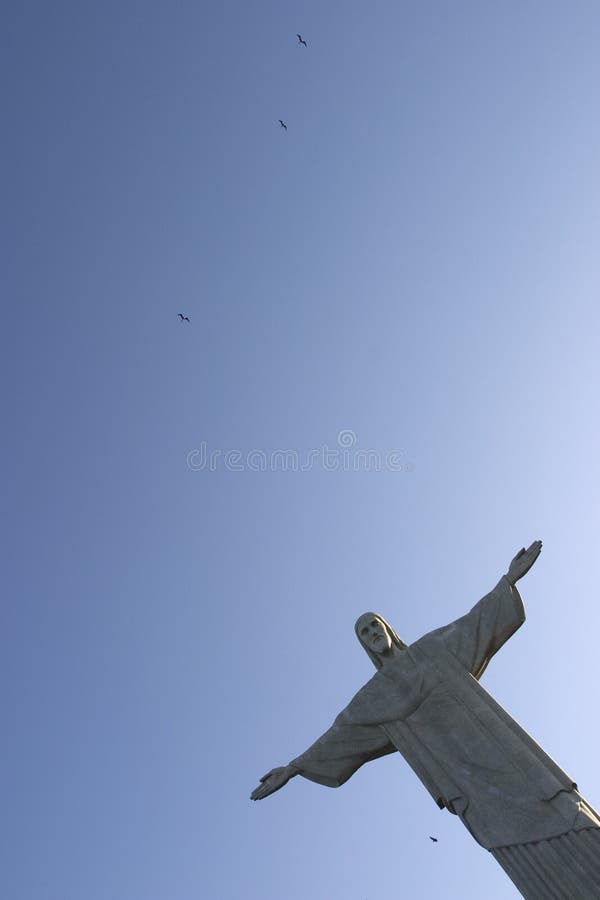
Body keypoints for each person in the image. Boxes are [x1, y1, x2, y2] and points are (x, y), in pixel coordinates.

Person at [251, 541, 600, 899]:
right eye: (365, 634)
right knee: (519, 850)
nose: (373, 634)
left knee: (568, 814)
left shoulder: (434, 649)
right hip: (472, 787)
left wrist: (508, 581)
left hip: (508, 757)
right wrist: (293, 768)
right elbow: (338, 736)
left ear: (388, 627)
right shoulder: (372, 699)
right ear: (364, 646)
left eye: (375, 626)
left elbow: (476, 622)